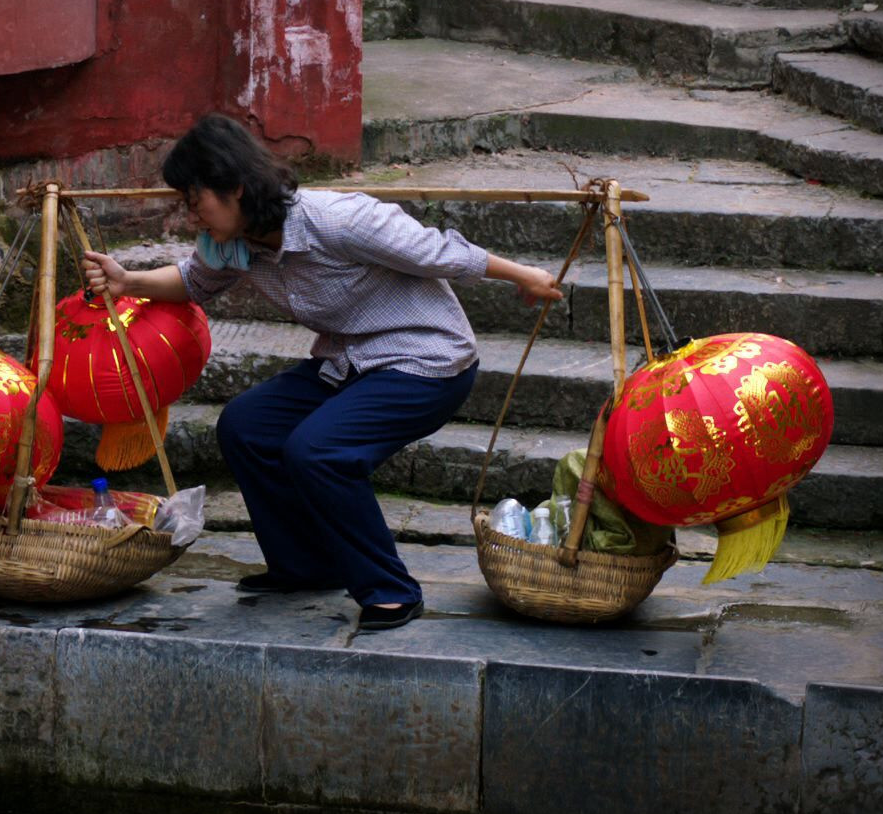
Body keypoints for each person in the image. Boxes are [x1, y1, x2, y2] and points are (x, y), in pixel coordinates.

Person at [81, 114, 562, 631]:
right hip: (347, 362)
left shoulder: (337, 220)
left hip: (426, 360)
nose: (191, 214)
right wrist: (127, 279)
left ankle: (390, 590)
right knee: (246, 425)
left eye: (195, 198)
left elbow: (436, 250)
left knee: (319, 451)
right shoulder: (235, 246)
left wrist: (526, 275)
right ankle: (306, 565)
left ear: (235, 189)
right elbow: (194, 282)